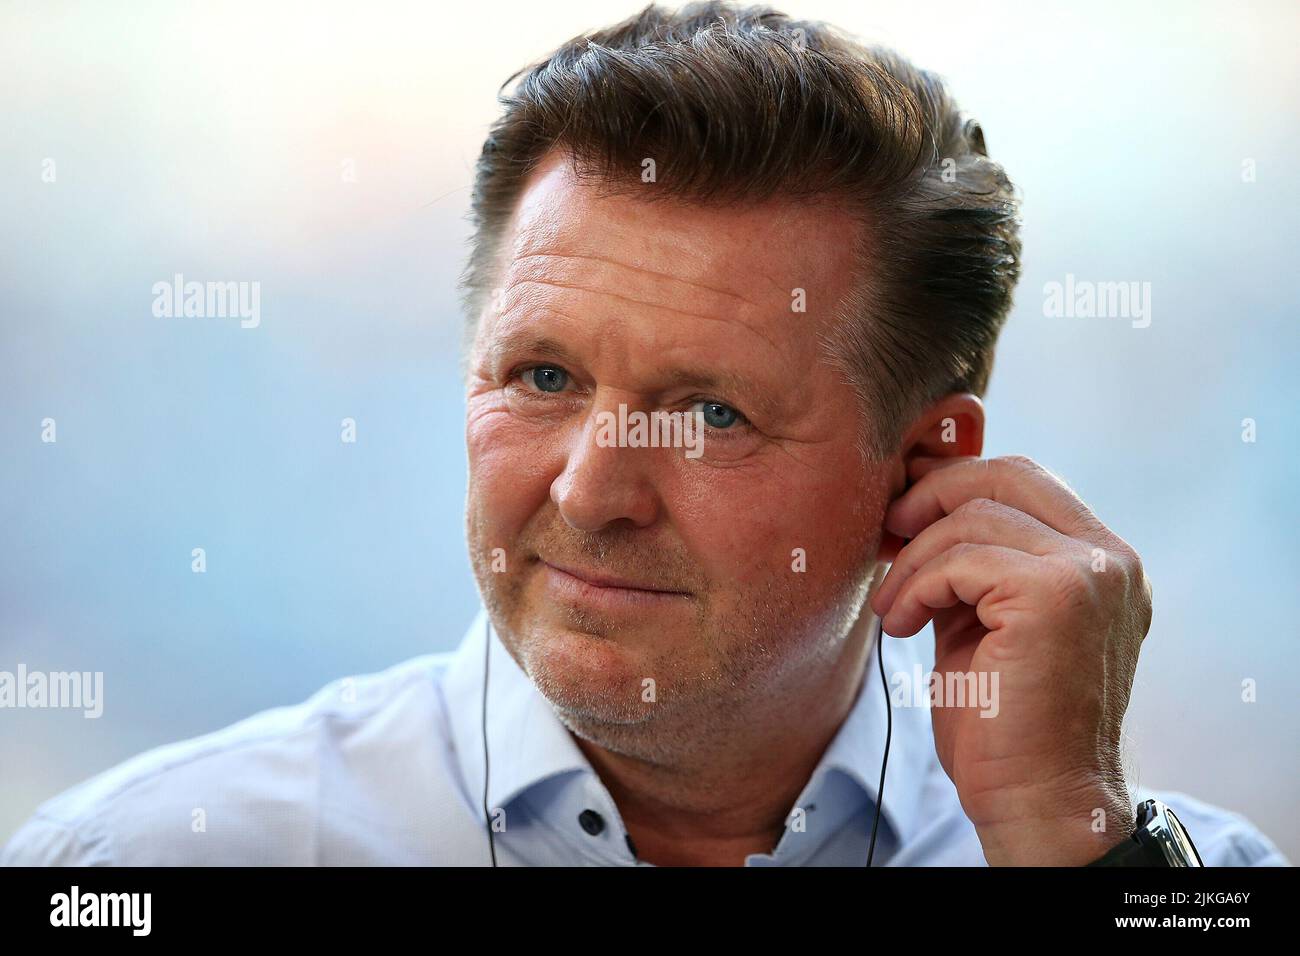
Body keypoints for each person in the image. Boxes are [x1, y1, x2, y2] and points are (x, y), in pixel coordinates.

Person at [3, 1, 1287, 867]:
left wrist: (1080, 844)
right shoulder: (151, 855)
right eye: (543, 373)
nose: (589, 488)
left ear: (924, 465)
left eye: (710, 411)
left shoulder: (1154, 868)